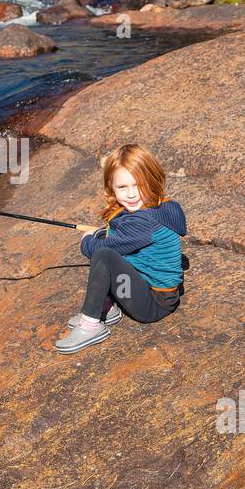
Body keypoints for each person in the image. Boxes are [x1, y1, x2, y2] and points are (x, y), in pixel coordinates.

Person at [54, 144, 187, 354]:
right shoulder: (163, 206)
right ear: (111, 188)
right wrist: (103, 232)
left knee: (103, 256)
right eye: (123, 187)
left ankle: (91, 326)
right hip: (140, 290)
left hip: (153, 304)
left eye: (138, 185)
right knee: (110, 252)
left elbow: (103, 248)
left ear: (152, 179)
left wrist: (87, 240)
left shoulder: (144, 223)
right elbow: (123, 237)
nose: (132, 194)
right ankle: (107, 307)